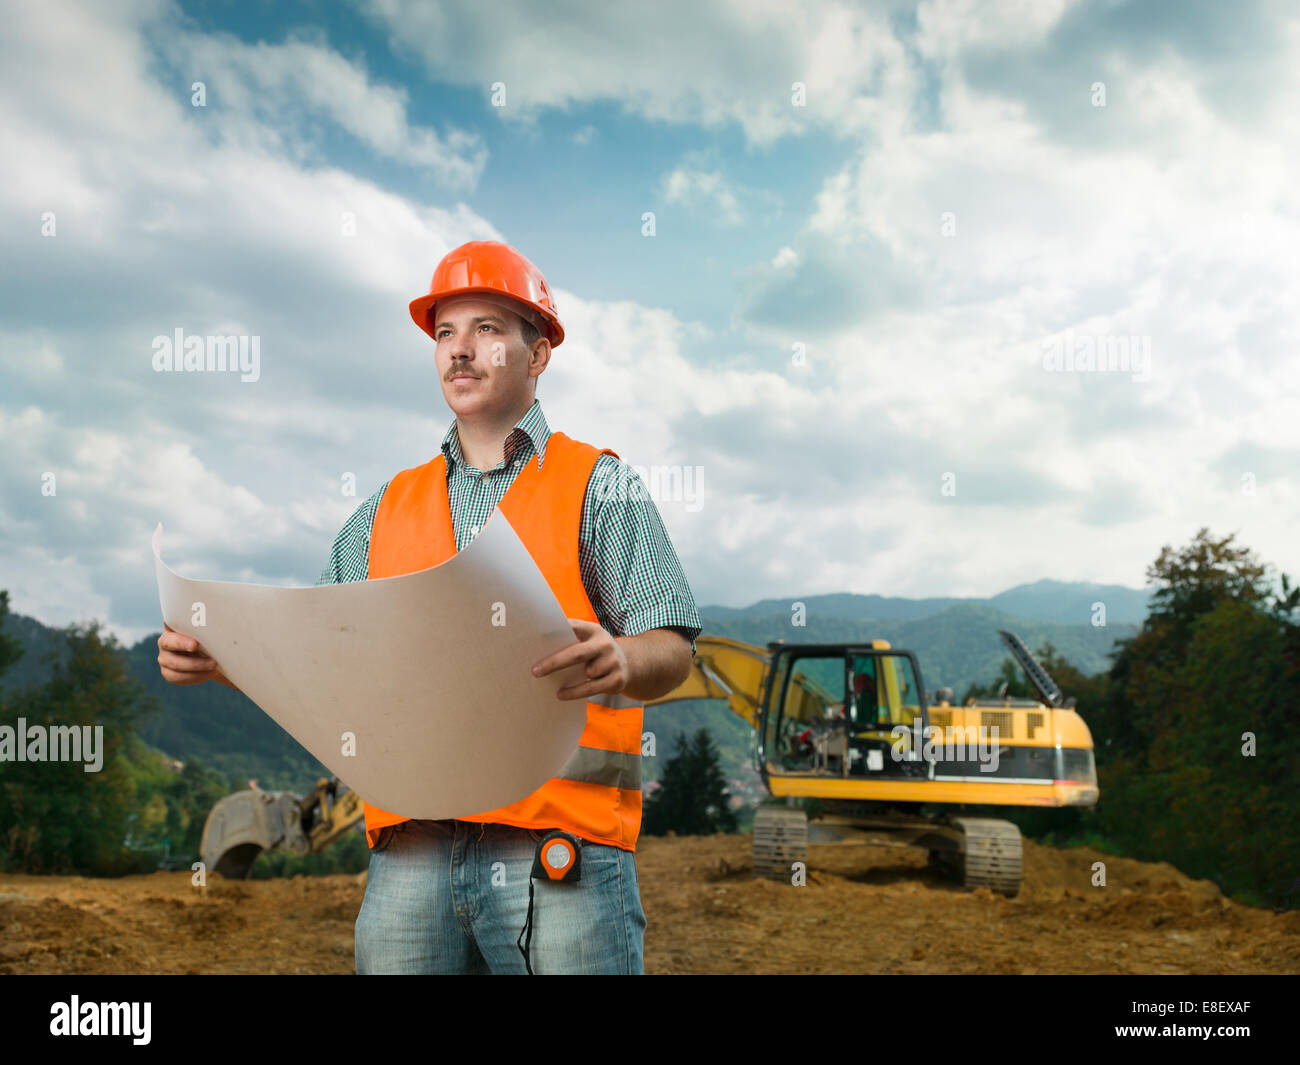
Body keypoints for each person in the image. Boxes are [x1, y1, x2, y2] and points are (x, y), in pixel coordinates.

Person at [157, 240, 702, 975]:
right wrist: (222, 661)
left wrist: (623, 656)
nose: (460, 350)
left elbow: (672, 647)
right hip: (409, 859)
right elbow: (321, 664)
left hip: (556, 853)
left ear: (537, 354)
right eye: (446, 332)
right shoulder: (382, 511)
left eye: (488, 329)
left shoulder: (600, 485)